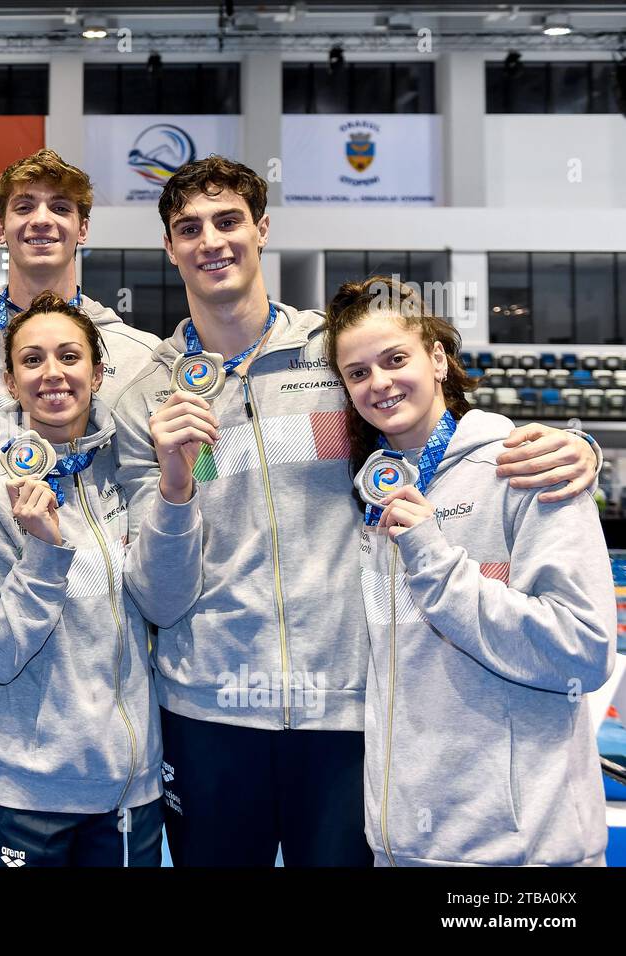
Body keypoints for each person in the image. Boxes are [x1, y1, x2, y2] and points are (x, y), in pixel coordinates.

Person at [111, 155, 602, 867]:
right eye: (189, 228)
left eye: (229, 221)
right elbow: (156, 595)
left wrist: (574, 440)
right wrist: (176, 487)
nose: (211, 241)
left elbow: (443, 421)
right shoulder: (147, 398)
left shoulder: (338, 354)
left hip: (347, 707)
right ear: (169, 247)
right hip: (207, 711)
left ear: (263, 229)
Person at [0, 148, 161, 866]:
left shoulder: (135, 354)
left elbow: (150, 476)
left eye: (60, 208)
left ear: (85, 228)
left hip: (83, 640)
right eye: (24, 207)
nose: (41, 220)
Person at [327, 276, 614, 866]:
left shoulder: (527, 467)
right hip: (403, 844)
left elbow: (581, 651)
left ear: (438, 360)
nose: (378, 383)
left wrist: (434, 557)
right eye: (357, 373)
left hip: (522, 851)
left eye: (394, 359)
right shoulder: (371, 490)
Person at [0, 292, 199, 866]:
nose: (53, 373)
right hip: (25, 797)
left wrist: (176, 488)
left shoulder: (133, 473)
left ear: (98, 372)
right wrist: (42, 553)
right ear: (9, 382)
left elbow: (165, 603)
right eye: (32, 360)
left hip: (129, 796)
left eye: (69, 356)